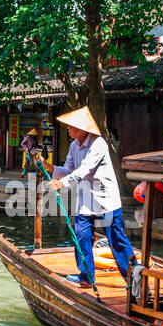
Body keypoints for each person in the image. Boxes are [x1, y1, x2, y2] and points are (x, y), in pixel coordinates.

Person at [46, 106, 136, 289]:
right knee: (82, 236)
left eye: (71, 126)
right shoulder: (73, 146)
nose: (68, 129)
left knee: (117, 240)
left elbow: (85, 169)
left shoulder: (98, 143)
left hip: (106, 200)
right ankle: (86, 276)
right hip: (85, 201)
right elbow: (69, 170)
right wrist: (50, 168)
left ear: (82, 128)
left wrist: (61, 183)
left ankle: (133, 279)